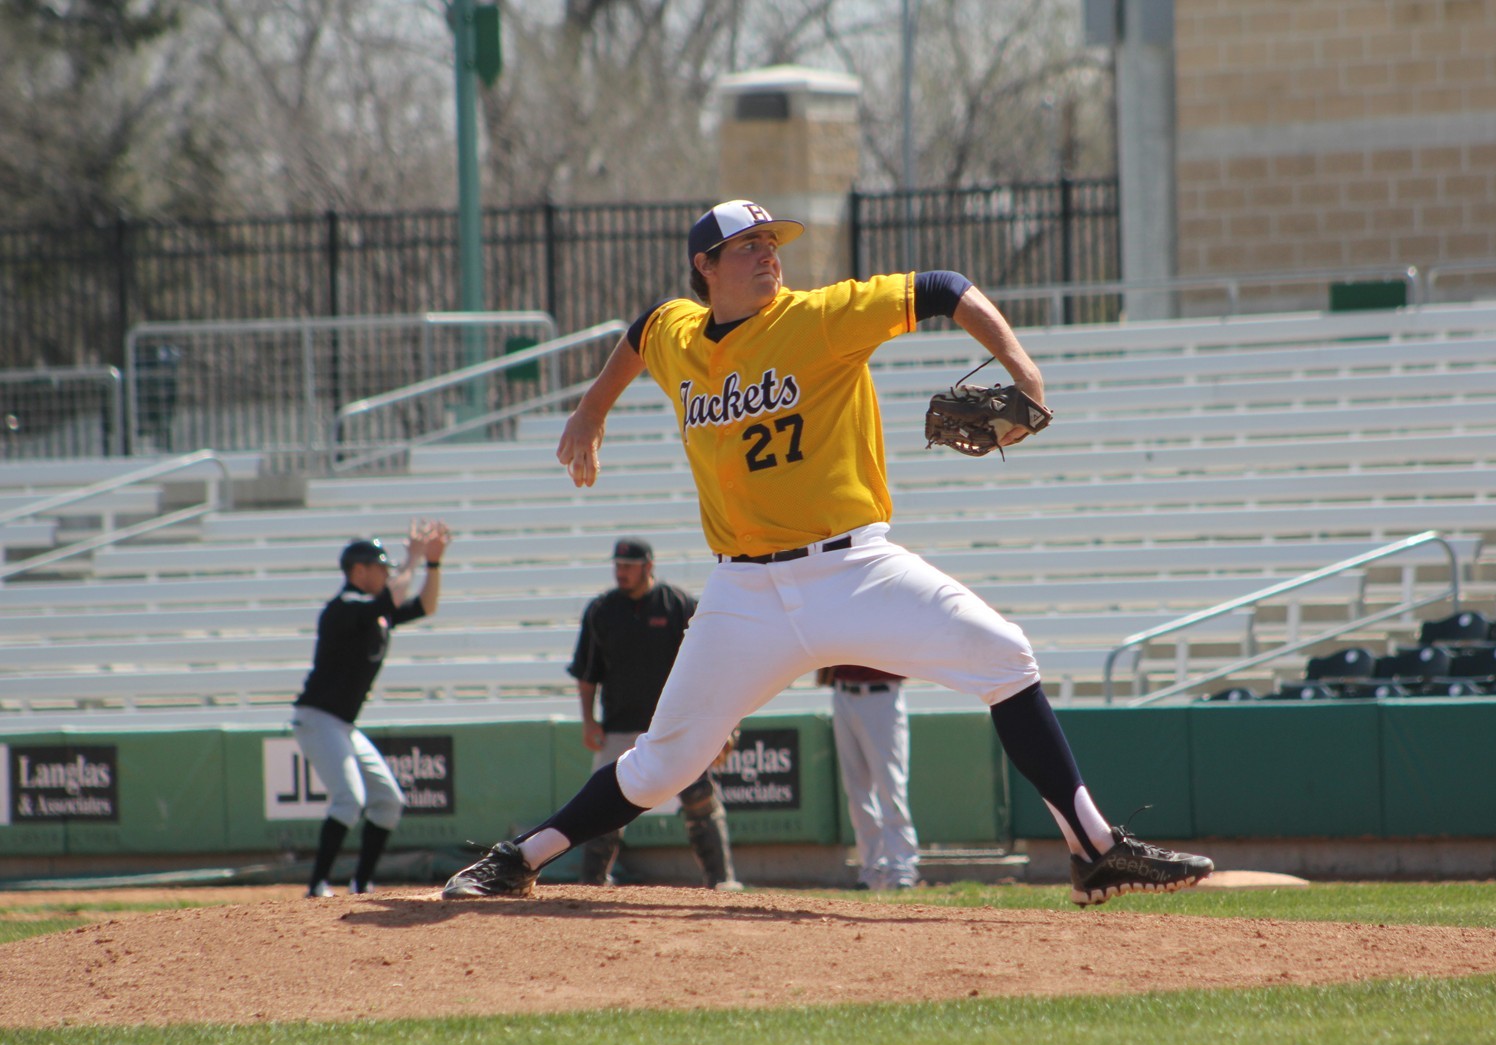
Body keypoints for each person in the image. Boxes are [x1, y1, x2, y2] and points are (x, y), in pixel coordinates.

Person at [443, 198, 1213, 907]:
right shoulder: (679, 334)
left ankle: (1094, 847)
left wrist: (1024, 369)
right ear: (705, 268)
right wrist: (589, 411)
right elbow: (644, 328)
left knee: (1006, 656)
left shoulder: (819, 319)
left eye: (770, 242)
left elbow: (944, 285)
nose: (767, 255)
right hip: (742, 594)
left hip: (854, 569)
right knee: (664, 764)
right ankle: (519, 857)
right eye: (745, 246)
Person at [570, 536, 740, 890]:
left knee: (700, 800)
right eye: (617, 566)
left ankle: (721, 882)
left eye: (629, 566)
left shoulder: (677, 604)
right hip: (619, 725)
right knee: (604, 808)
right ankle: (591, 883)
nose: (621, 573)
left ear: (649, 567)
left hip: (675, 726)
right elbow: (587, 676)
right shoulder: (601, 610)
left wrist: (726, 725)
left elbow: (715, 662)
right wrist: (588, 720)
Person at [293, 519, 451, 898]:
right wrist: (411, 558)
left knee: (388, 802)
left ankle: (360, 884)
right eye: (381, 567)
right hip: (317, 718)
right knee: (349, 800)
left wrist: (432, 565)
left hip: (343, 725)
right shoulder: (344, 607)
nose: (387, 573)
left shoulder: (374, 608)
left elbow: (426, 605)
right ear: (358, 571)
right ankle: (317, 886)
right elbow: (392, 599)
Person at [821, 664, 919, 891]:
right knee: (856, 790)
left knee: (890, 786)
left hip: (881, 694)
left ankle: (901, 867)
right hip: (843, 691)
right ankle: (871, 867)